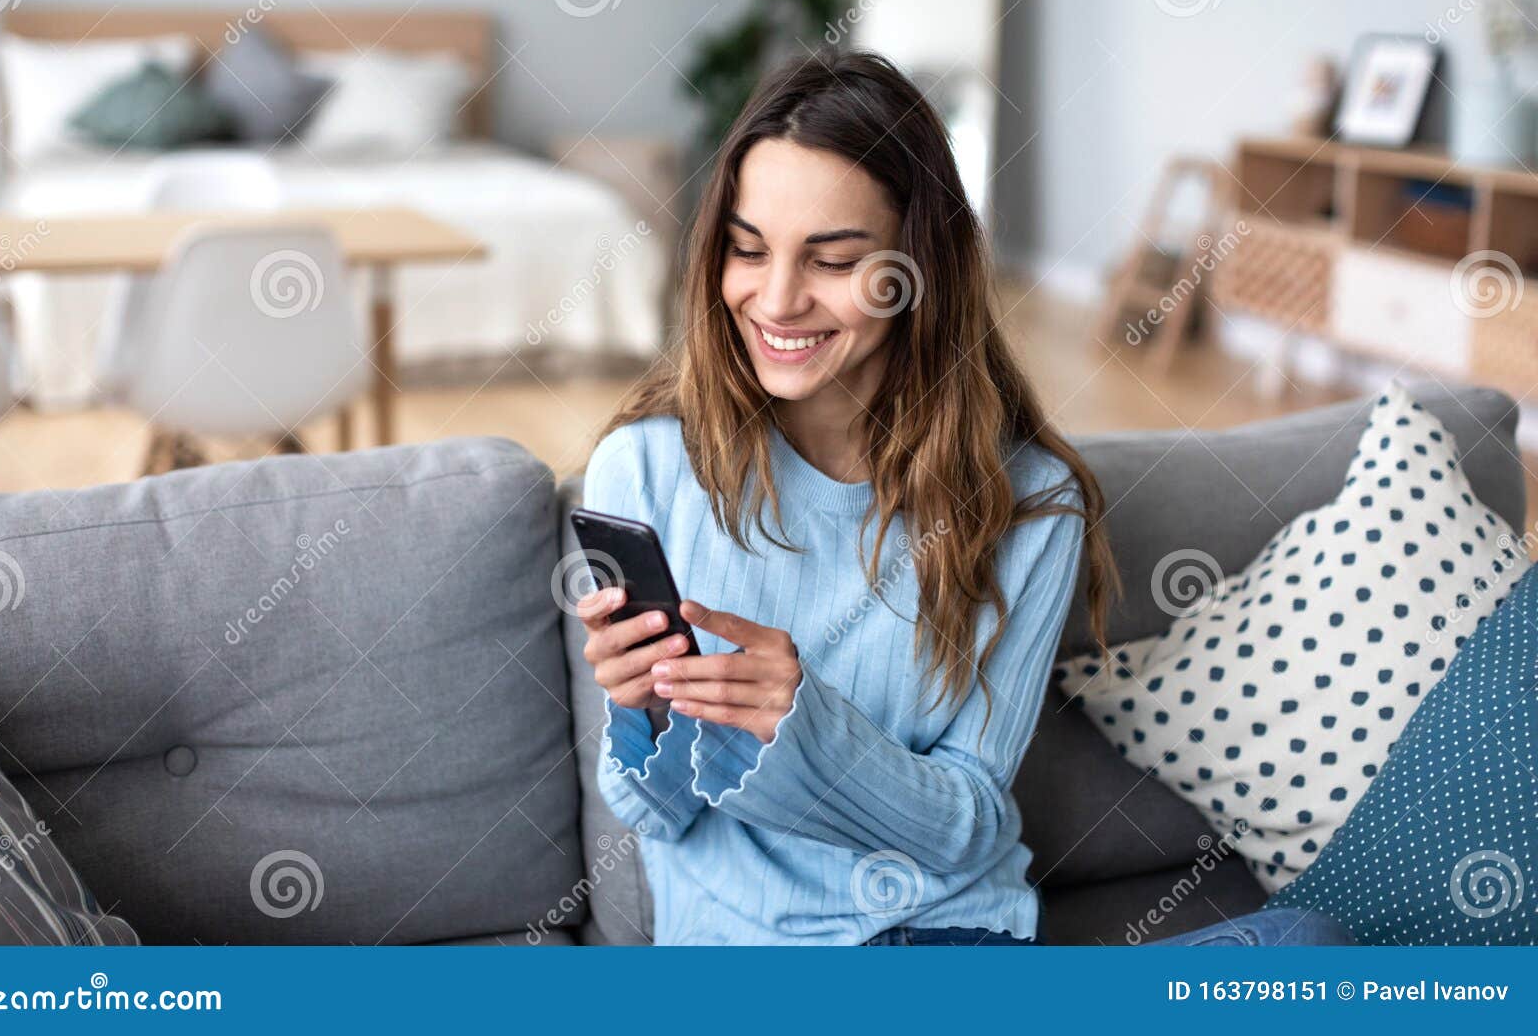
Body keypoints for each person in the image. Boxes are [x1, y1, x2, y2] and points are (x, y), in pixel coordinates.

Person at [578, 50, 1353, 948]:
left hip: (954, 946)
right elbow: (658, 817)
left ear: (920, 267)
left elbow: (970, 823)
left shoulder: (1028, 501)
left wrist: (810, 731)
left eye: (832, 260)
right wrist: (643, 716)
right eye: (748, 250)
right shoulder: (647, 469)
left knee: (1303, 946)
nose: (777, 299)